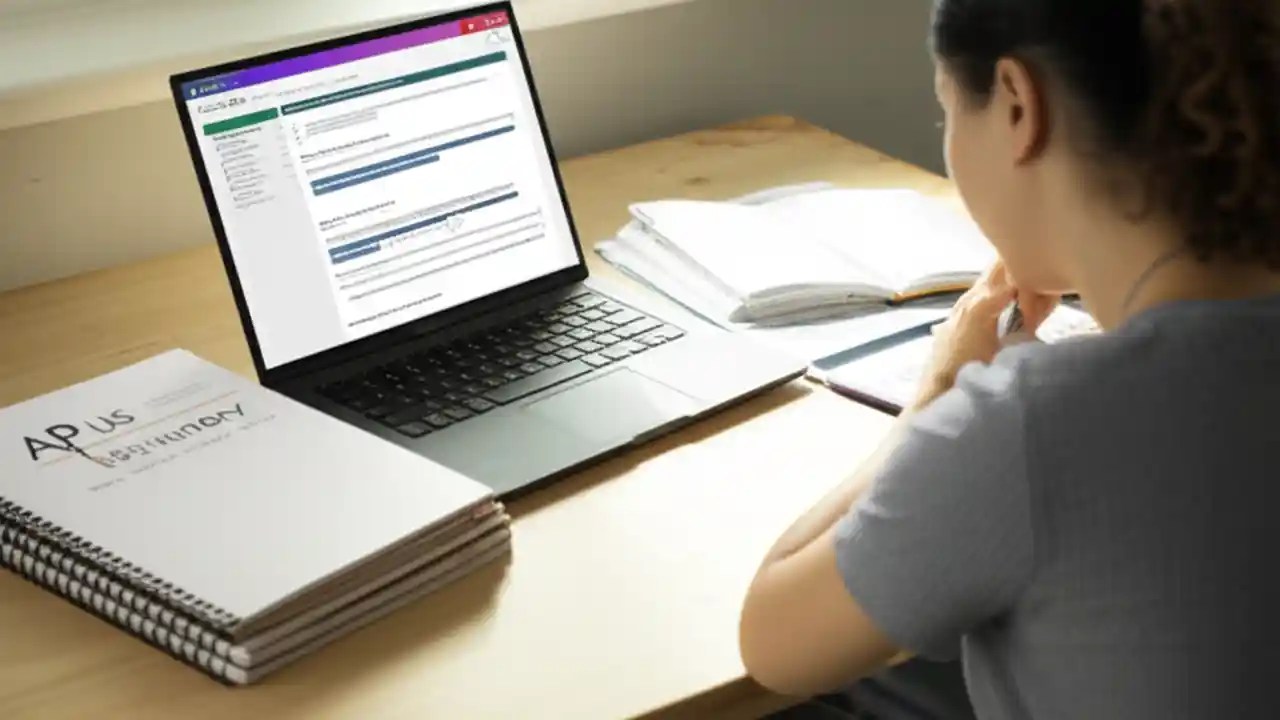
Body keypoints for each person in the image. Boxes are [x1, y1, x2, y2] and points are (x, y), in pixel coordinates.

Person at [739, 0, 1280, 718]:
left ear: (1020, 105)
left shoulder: (1036, 423)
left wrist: (941, 388)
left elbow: (774, 642)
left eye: (948, 111)